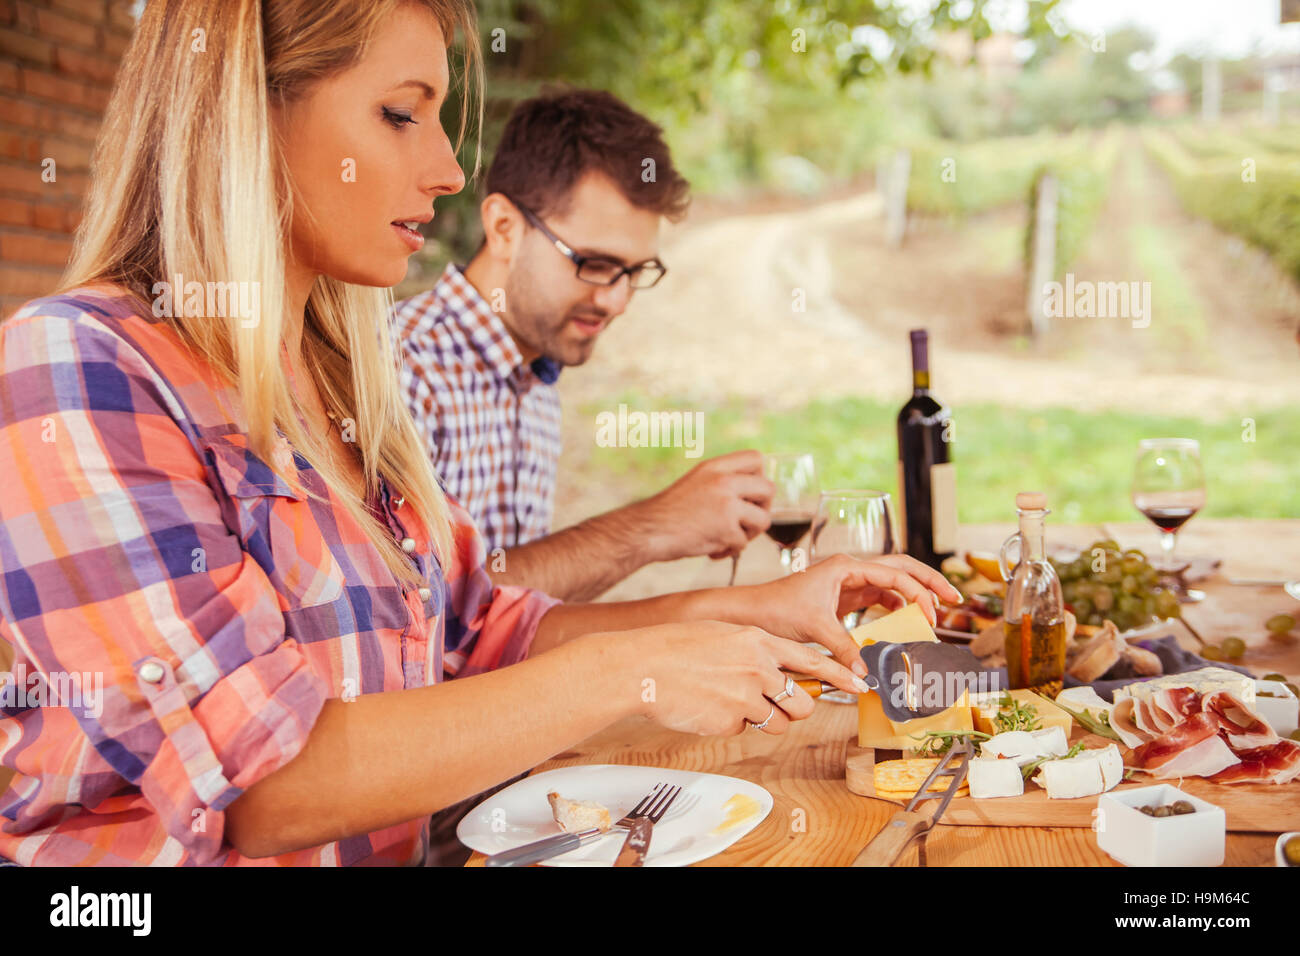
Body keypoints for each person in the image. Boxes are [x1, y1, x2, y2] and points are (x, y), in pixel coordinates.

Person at [0, 0, 959, 866]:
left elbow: (484, 630)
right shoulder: (76, 366)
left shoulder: (342, 383)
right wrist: (636, 670)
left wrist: (754, 609)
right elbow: (262, 785)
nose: (450, 169)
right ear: (248, 114)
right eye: (400, 113)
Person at [395, 89, 772, 602]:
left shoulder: (537, 373)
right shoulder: (402, 371)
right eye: (594, 264)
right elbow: (419, 611)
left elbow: (515, 619)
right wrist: (653, 527)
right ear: (504, 228)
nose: (616, 300)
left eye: (635, 272)